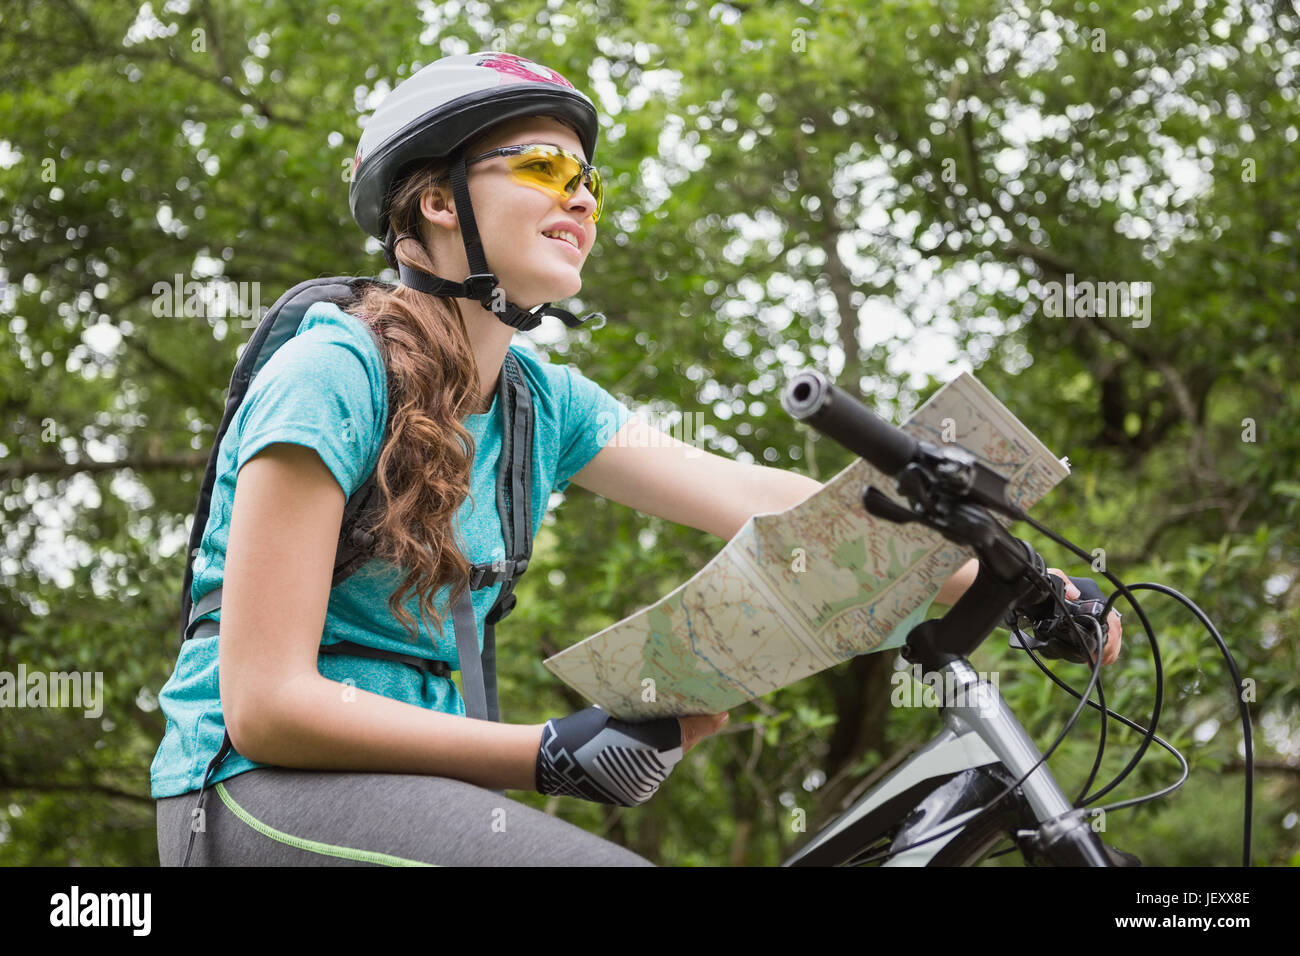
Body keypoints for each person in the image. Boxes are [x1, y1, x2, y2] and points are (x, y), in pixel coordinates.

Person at [151, 51, 1122, 867]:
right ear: (436, 201)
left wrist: (1012, 576)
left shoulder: (541, 403)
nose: (579, 195)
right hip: (245, 793)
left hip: (411, 793)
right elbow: (265, 704)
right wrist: (546, 753)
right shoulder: (331, 372)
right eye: (540, 166)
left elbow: (756, 496)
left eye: (588, 180)